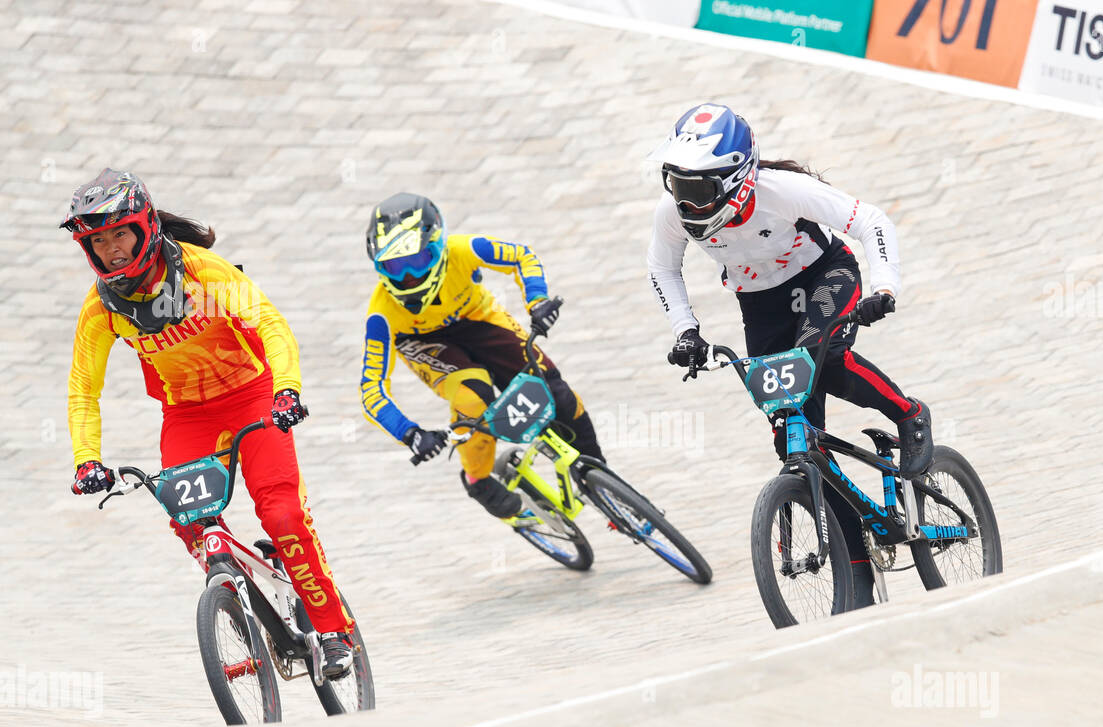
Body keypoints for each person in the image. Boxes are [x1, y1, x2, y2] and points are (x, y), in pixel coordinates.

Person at [64, 168, 358, 676]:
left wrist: (287, 389)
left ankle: (333, 627)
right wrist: (86, 460)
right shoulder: (101, 308)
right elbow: (83, 390)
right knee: (189, 519)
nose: (110, 249)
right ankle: (238, 600)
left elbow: (268, 321)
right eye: (98, 241)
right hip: (187, 413)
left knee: (283, 513)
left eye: (119, 233)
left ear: (145, 227)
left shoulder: (202, 271)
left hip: (253, 396)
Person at [646, 104, 934, 609]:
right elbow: (662, 269)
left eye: (698, 191)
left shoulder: (778, 191)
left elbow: (870, 220)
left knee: (824, 359)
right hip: (762, 305)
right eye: (677, 186)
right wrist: (686, 332)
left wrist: (885, 288)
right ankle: (858, 569)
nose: (686, 205)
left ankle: (909, 414)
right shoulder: (671, 214)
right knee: (795, 441)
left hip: (824, 276)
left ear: (736, 180)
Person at [359, 193, 603, 517]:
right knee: (474, 399)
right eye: (394, 266)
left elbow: (521, 257)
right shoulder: (380, 315)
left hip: (477, 319)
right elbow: (371, 391)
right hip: (424, 343)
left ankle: (600, 478)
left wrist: (537, 300)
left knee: (557, 394)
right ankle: (478, 480)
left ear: (438, 247)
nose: (408, 277)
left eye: (416, 262)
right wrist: (411, 433)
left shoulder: (463, 249)